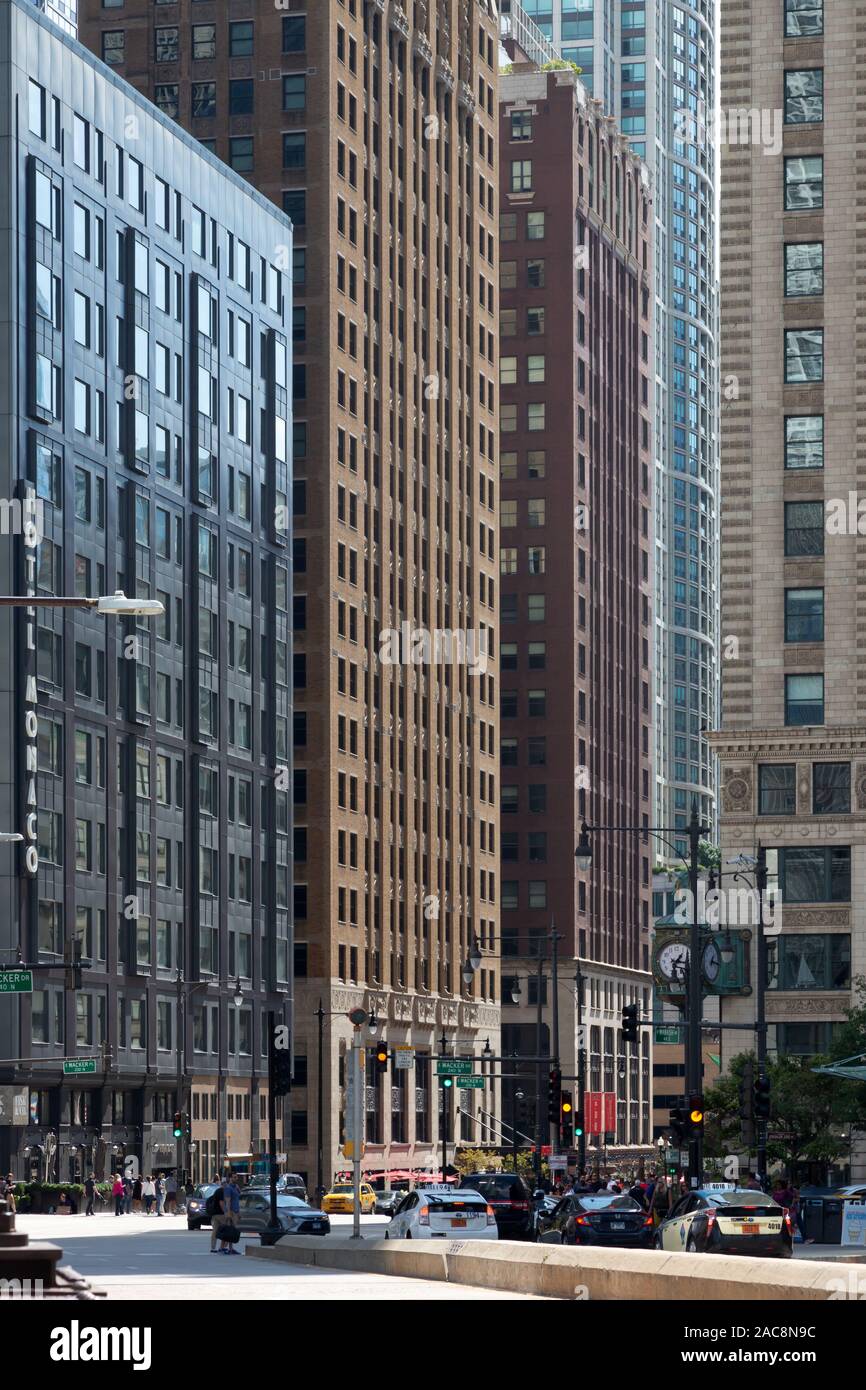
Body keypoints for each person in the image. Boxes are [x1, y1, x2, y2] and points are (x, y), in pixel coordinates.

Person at [220, 1177, 241, 1254]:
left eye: (236, 1177)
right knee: (229, 1230)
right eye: (234, 1177)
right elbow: (227, 1201)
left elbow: (237, 1199)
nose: (236, 1178)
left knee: (231, 1231)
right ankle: (225, 1248)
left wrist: (238, 1212)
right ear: (230, 1178)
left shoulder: (235, 1187)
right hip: (231, 1212)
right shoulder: (228, 1188)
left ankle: (230, 1248)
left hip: (235, 1211)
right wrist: (228, 1212)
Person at [209, 1183, 227, 1252]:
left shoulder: (217, 1191)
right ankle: (223, 1247)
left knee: (215, 1231)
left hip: (214, 1214)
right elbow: (221, 1203)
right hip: (221, 1214)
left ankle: (213, 1248)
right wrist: (225, 1212)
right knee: (227, 1229)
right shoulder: (222, 1191)